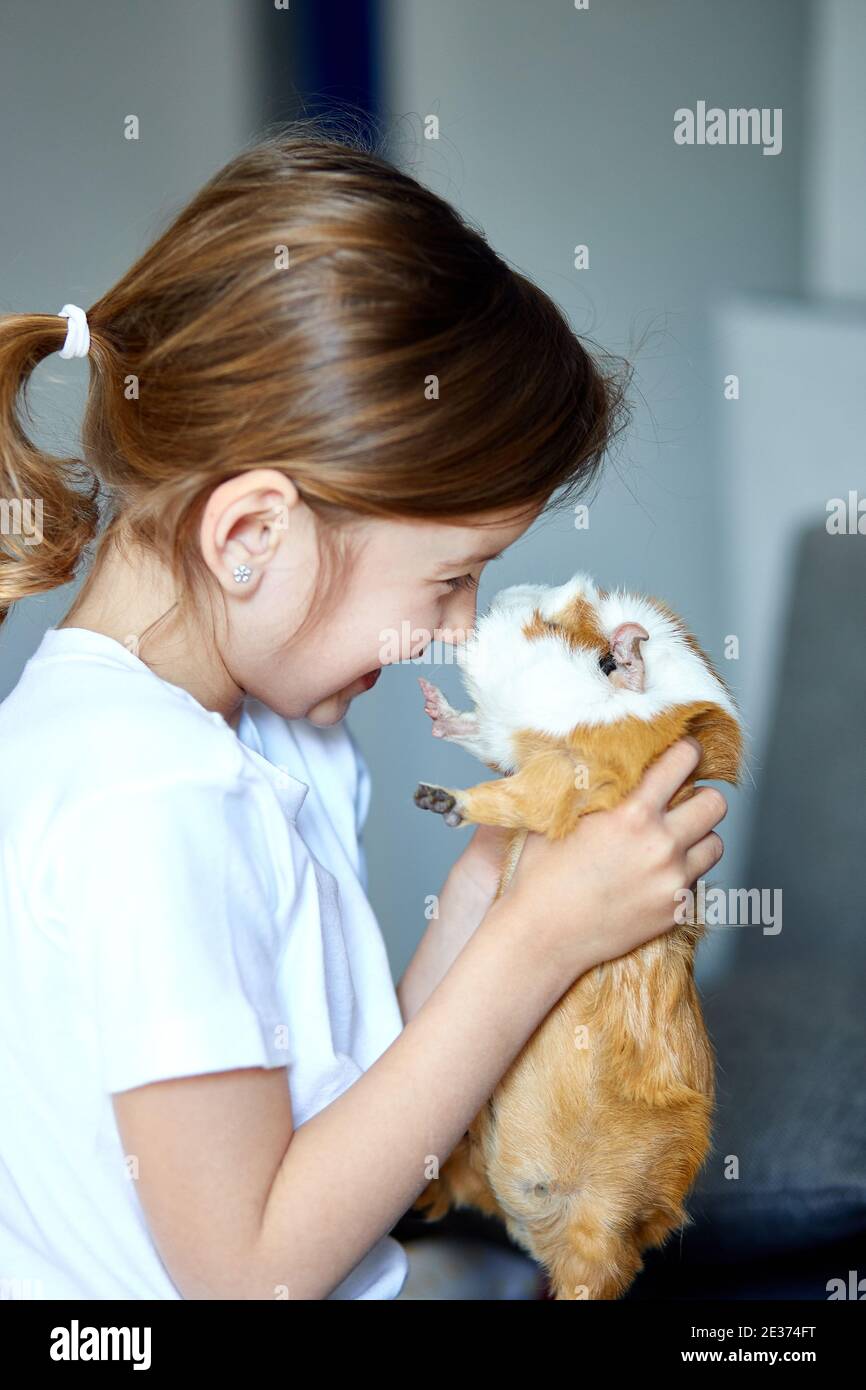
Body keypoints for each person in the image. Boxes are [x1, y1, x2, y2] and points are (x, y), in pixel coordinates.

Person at [0, 124, 727, 1300]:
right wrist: (540, 947)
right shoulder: (153, 798)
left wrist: (489, 897)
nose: (457, 628)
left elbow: (335, 1143)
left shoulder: (218, 740)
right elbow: (250, 1271)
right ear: (250, 536)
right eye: (449, 576)